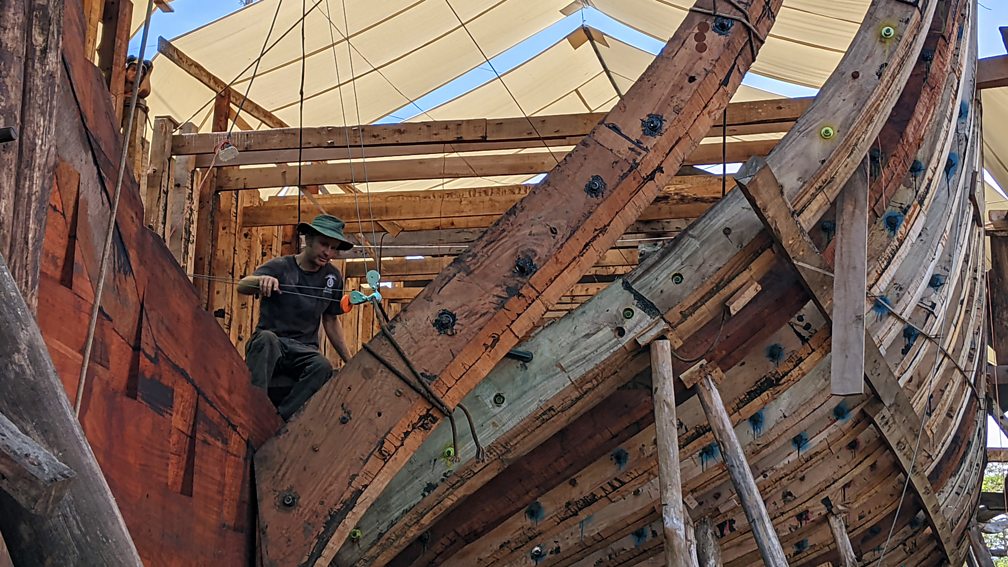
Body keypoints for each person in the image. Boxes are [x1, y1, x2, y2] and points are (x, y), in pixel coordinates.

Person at [237, 214, 354, 419]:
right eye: (324, 244)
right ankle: (253, 409)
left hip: (304, 350)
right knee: (266, 339)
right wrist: (260, 281)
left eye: (333, 248)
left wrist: (349, 360)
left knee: (322, 365)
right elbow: (242, 285)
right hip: (272, 343)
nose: (328, 252)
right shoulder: (281, 266)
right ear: (307, 240)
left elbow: (330, 319)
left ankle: (281, 420)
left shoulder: (333, 277)